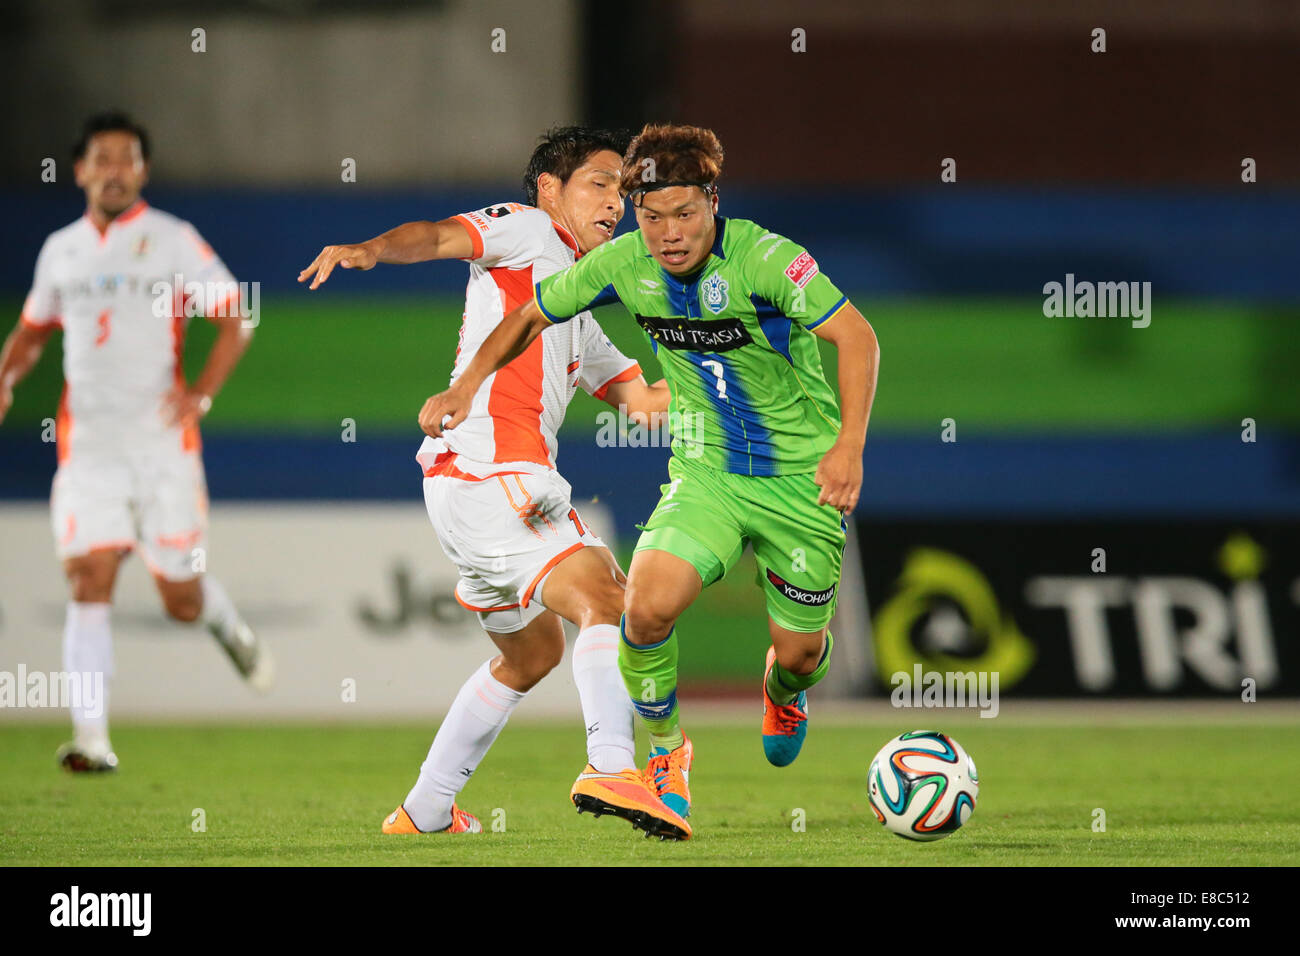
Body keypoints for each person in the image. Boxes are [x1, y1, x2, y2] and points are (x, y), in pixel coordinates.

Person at [417, 123, 880, 833]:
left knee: (802, 651)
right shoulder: (622, 264)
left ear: (713, 203)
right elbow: (529, 314)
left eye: (684, 213)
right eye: (650, 214)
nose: (667, 233)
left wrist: (847, 447)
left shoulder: (766, 258)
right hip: (706, 475)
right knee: (642, 608)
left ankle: (785, 688)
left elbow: (857, 336)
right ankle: (664, 755)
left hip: (800, 482)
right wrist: (465, 386)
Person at [299, 127, 691, 839]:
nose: (614, 204)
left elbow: (643, 404)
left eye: (621, 191)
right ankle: (610, 763)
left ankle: (424, 810)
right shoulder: (530, 230)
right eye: (599, 184)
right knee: (606, 596)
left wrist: (725, 385)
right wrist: (373, 250)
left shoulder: (576, 305)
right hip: (491, 472)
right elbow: (439, 236)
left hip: (467, 486)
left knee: (533, 652)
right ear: (549, 190)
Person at [0, 112, 270, 773]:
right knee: (89, 579)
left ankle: (225, 623)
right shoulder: (60, 250)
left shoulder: (173, 240)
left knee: (179, 599)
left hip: (161, 449)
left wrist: (201, 394)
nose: (114, 169)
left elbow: (240, 313)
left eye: (127, 158)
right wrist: (5, 376)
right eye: (102, 157)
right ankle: (92, 738)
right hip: (87, 450)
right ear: (81, 171)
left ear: (142, 171)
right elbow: (33, 332)